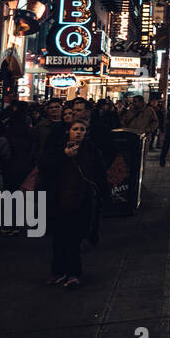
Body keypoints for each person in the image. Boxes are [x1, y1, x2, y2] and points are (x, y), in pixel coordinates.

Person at [39, 120, 106, 289]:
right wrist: (64, 155)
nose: (78, 133)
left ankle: (74, 273)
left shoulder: (91, 150)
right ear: (68, 131)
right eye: (75, 129)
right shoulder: (58, 148)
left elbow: (99, 173)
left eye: (82, 130)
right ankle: (58, 271)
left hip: (81, 200)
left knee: (74, 240)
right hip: (59, 199)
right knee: (59, 238)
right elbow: (45, 167)